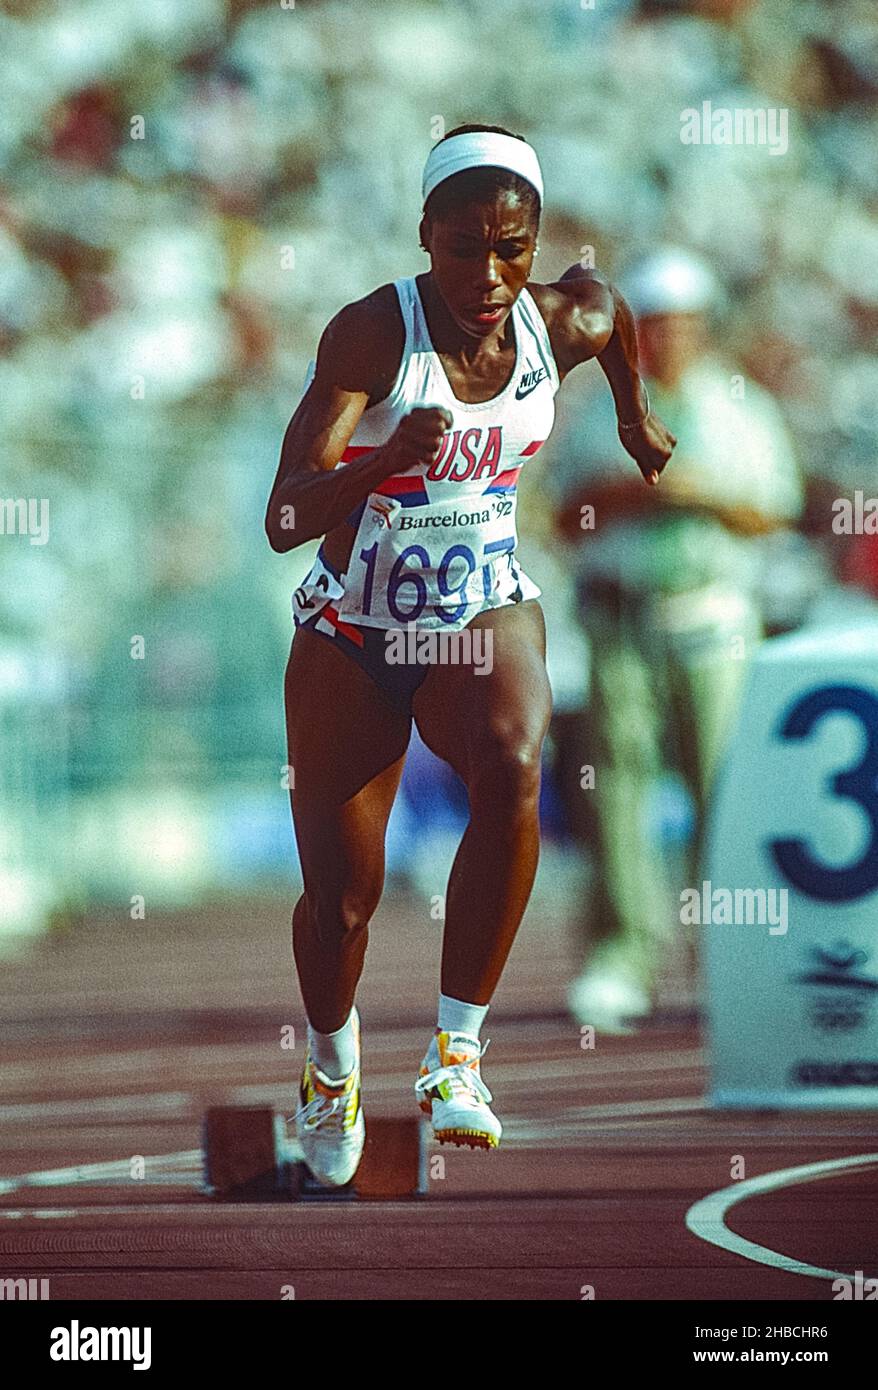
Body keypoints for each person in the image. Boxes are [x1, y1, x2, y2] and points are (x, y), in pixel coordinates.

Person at [264, 124, 675, 1185]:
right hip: (353, 629)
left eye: (511, 248)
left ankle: (455, 1056)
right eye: (460, 249)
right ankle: (327, 1062)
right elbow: (281, 515)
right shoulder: (371, 335)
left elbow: (608, 305)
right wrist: (380, 463)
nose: (487, 276)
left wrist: (635, 411)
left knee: (517, 762)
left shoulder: (556, 318)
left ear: (532, 242)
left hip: (476, 605)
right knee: (340, 905)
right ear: (423, 237)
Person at [552, 247, 804, 1033]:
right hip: (623, 610)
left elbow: (774, 512)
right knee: (616, 788)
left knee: (722, 786)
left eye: (679, 327)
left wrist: (701, 496)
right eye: (653, 327)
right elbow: (566, 516)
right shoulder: (600, 413)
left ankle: (729, 958)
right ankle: (626, 953)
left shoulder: (740, 410)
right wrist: (628, 494)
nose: (667, 341)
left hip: (709, 610)